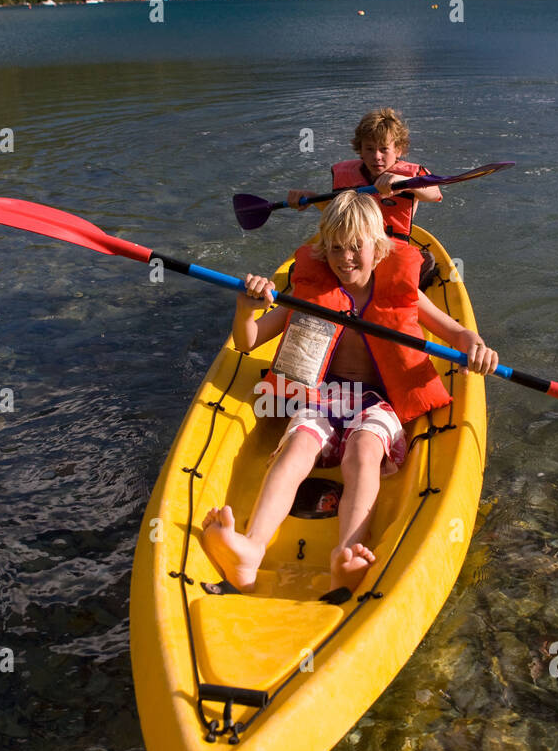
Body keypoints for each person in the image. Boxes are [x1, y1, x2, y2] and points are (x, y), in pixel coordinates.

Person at [200, 189, 498, 602]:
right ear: (324, 251)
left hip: (380, 400)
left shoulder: (403, 289)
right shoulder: (309, 290)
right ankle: (251, 548)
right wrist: (245, 308)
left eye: (356, 247)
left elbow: (457, 333)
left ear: (378, 249)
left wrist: (476, 347)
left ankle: (346, 552)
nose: (345, 259)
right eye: (336, 249)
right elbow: (249, 341)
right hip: (325, 395)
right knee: (298, 446)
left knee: (364, 449)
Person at [287, 107, 441, 240]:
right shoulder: (346, 173)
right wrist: (311, 198)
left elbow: (435, 193)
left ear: (398, 150)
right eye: (369, 149)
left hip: (392, 245)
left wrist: (406, 182)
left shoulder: (410, 175)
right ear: (360, 150)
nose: (376, 156)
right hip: (351, 244)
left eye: (384, 149)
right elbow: (340, 212)